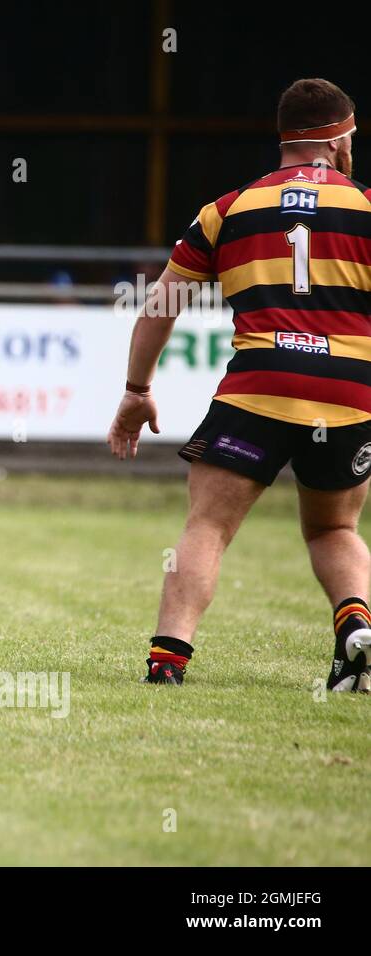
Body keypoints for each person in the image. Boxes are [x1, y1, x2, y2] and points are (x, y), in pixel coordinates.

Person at [108, 78, 371, 691]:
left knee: (207, 526)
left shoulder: (228, 209)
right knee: (334, 528)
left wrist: (136, 387)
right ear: (333, 140)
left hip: (257, 389)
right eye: (353, 136)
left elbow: (161, 304)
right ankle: (355, 627)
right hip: (347, 393)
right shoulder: (366, 206)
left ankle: (167, 661)